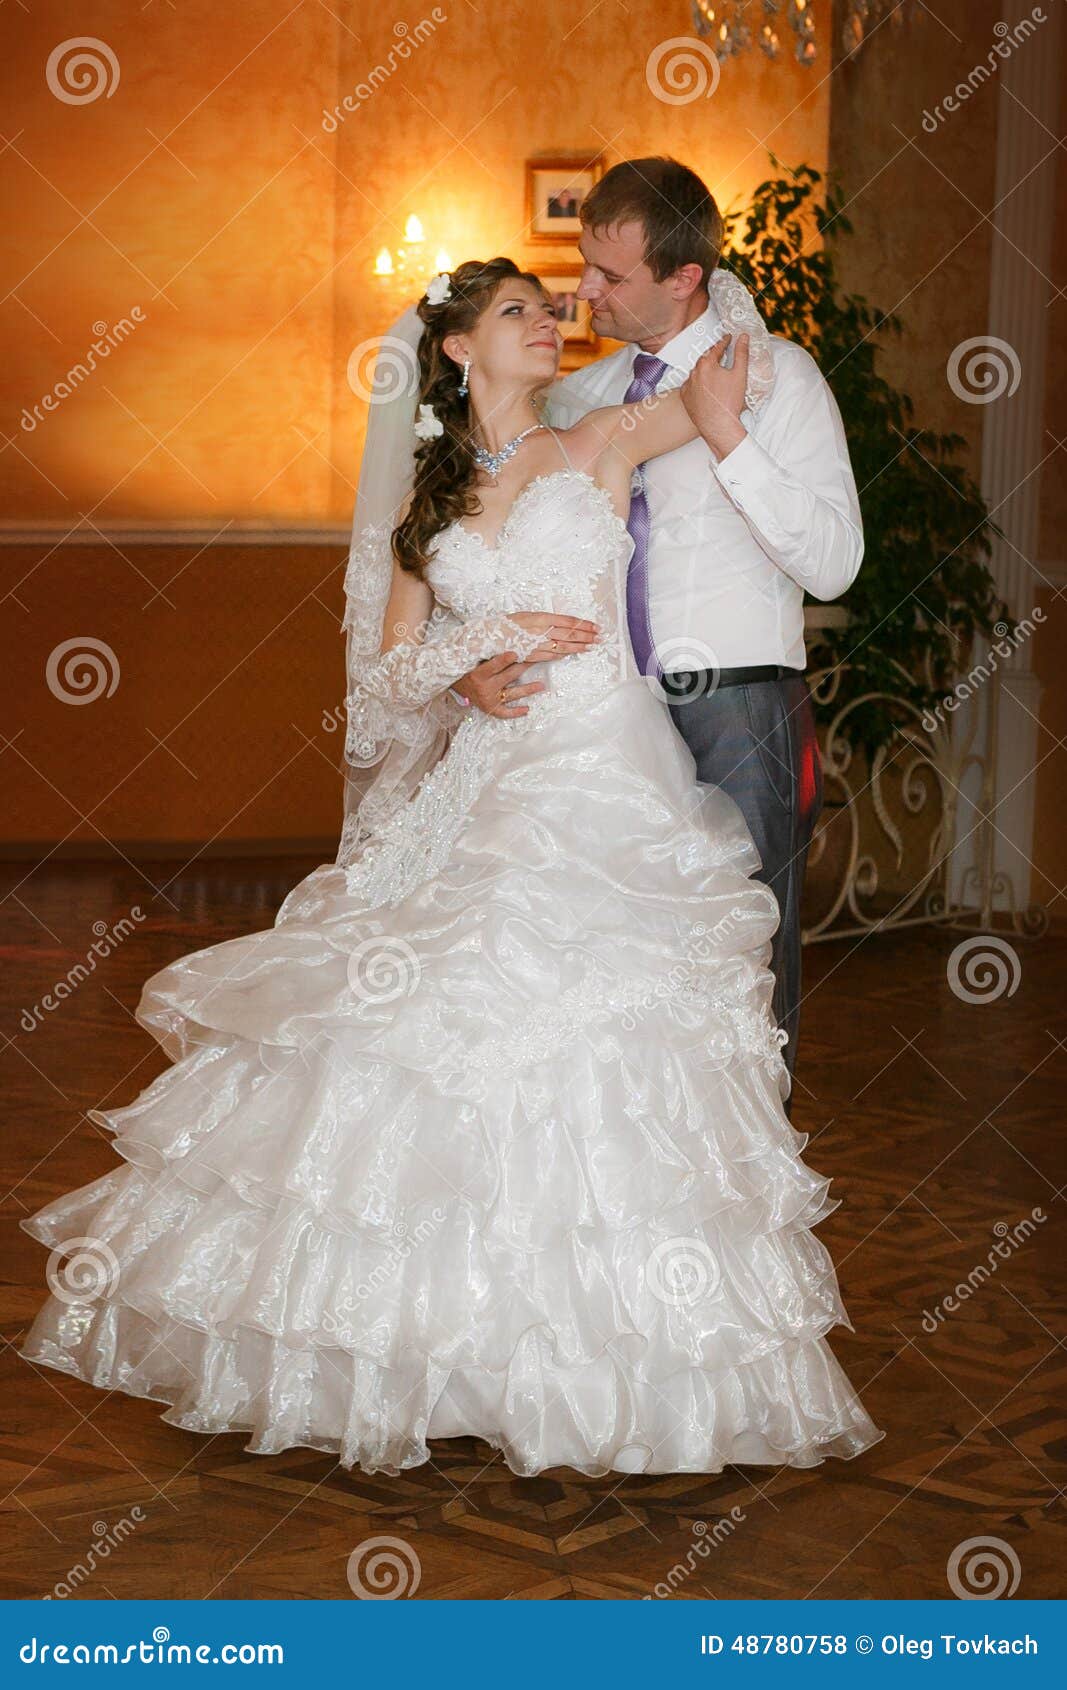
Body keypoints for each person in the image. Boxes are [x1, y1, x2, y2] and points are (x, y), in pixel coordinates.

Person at [19, 256, 882, 1480]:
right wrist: (470, 662)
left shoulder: (601, 443)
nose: (553, 321)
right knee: (417, 1013)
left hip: (609, 772)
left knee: (608, 1019)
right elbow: (378, 686)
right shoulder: (424, 514)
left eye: (556, 302)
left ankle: (620, 1356)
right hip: (489, 776)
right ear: (459, 352)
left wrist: (696, 271)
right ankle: (425, 1344)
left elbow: (714, 361)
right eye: (522, 311)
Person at [455, 159, 864, 1108]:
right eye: (584, 266)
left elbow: (835, 563)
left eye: (612, 277)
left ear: (684, 277)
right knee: (607, 955)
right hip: (590, 719)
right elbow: (499, 554)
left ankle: (751, 1171)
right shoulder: (575, 396)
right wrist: (468, 667)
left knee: (741, 948)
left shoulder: (777, 378)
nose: (583, 293)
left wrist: (728, 437)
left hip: (731, 701)